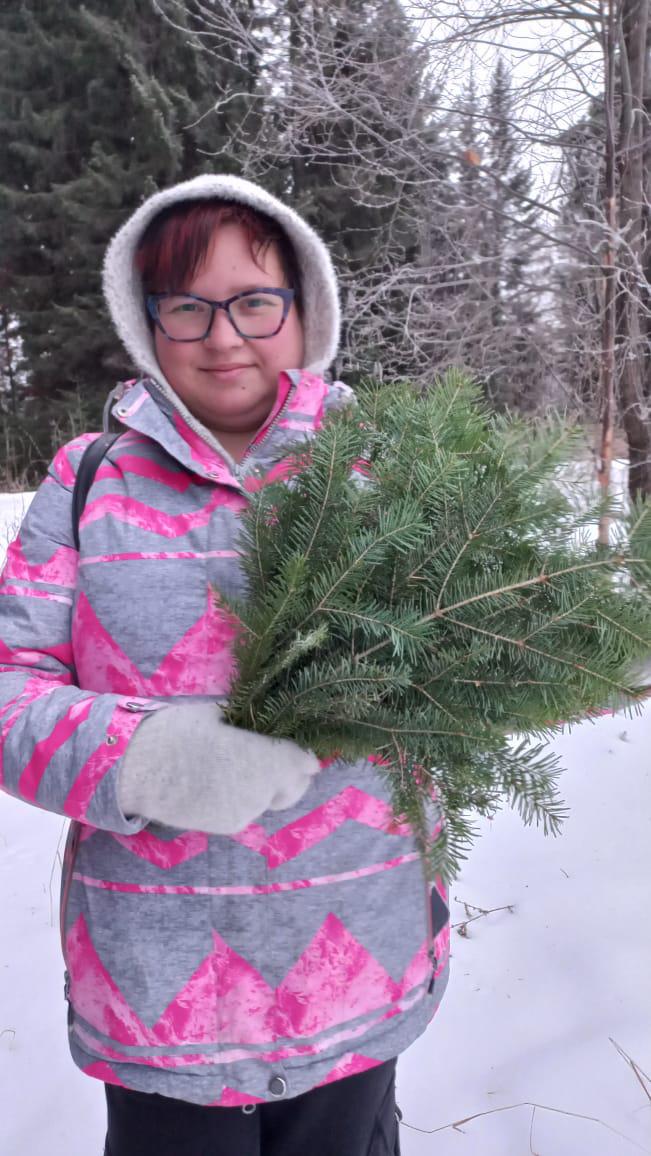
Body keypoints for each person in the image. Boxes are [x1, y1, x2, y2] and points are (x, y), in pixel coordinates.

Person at [0, 175, 450, 1156]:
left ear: (304, 308)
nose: (224, 335)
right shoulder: (85, 485)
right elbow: (8, 689)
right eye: (188, 307)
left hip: (353, 976)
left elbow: (471, 651)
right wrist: (149, 756)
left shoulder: (390, 475)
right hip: (159, 1001)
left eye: (254, 300)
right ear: (147, 321)